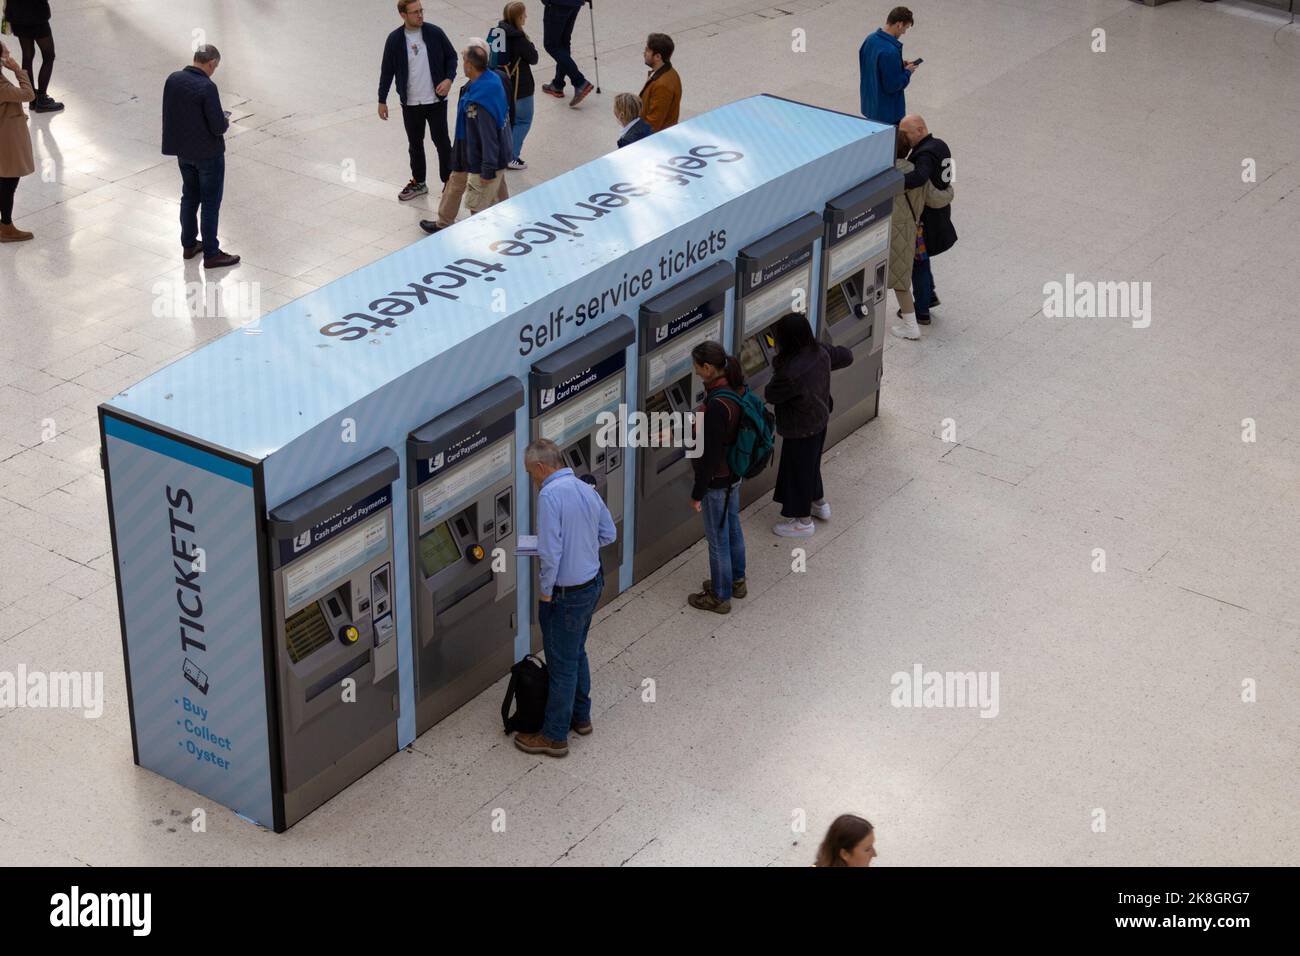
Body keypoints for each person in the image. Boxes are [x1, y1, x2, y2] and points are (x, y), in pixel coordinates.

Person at [515, 438, 616, 758]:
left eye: (532, 474)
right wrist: (582, 549)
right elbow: (608, 534)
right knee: (576, 653)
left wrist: (545, 593)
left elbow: (550, 551)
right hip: (592, 583)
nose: (533, 481)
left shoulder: (549, 495)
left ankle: (554, 736)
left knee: (561, 665)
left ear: (543, 467)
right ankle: (581, 717)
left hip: (565, 595)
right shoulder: (586, 488)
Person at [764, 313, 852, 538]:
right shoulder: (820, 351)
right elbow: (846, 356)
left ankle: (802, 522)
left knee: (798, 470)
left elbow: (771, 394)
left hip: (799, 427)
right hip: (820, 419)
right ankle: (819, 504)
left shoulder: (790, 371)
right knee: (810, 463)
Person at [419, 41, 511, 234]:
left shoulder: (480, 99)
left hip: (481, 157)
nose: (462, 64)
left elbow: (488, 137)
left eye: (463, 61)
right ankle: (443, 222)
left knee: (478, 203)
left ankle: (485, 237)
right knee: (457, 182)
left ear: (469, 65)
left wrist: (487, 169)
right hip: (469, 148)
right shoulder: (489, 80)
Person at [161, 45, 239, 269]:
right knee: (210, 202)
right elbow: (216, 127)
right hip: (208, 155)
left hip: (184, 152)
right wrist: (224, 120)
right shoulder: (207, 86)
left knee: (189, 197)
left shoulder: (173, 79)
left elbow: (172, 113)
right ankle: (212, 253)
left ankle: (188, 245)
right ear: (212, 63)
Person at [687, 341, 748, 614]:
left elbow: (709, 457)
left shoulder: (716, 406)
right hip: (734, 473)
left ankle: (720, 597)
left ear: (708, 367)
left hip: (718, 480)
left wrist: (698, 492)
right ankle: (737, 581)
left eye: (697, 367)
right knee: (733, 528)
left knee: (717, 539)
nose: (696, 371)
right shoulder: (735, 386)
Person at [378, 0, 457, 202]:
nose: (420, 15)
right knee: (415, 144)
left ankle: (448, 181)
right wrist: (382, 99)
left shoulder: (434, 33)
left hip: (435, 100)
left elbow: (452, 57)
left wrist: (448, 79)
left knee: (442, 142)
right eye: (415, 12)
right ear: (403, 15)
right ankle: (419, 182)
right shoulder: (395, 39)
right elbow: (387, 71)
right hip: (411, 103)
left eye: (421, 11)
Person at [889, 126, 953, 341]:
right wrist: (950, 189)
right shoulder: (915, 169)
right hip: (913, 228)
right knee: (917, 265)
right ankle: (926, 300)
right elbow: (936, 199)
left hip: (889, 231)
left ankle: (912, 324)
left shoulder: (884, 172)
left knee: (897, 278)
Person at [489, 2, 538, 170]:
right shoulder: (519, 38)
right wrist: (530, 45)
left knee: (506, 122)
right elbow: (534, 58)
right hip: (520, 87)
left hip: (499, 85)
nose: (526, 17)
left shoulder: (496, 32)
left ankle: (499, 153)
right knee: (523, 120)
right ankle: (511, 155)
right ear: (518, 17)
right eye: (524, 14)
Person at [0, 41, 35, 241]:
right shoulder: (1, 85)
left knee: (4, 179)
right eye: (5, 50)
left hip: (6, 133)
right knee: (9, 181)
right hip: (7, 137)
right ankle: (6, 226)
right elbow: (28, 95)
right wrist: (18, 70)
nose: (9, 52)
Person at [858, 6, 916, 126]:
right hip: (888, 113)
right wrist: (908, 72)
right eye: (905, 28)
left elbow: (872, 66)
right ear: (899, 24)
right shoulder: (890, 51)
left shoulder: (870, 39)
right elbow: (893, 85)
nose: (904, 32)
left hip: (870, 105)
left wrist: (898, 64)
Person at [3, 0, 60, 113]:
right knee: (49, 55)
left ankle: (32, 98)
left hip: (17, 14)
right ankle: (42, 98)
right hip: (36, 14)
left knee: (27, 55)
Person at [538, 0, 592, 107]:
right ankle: (558, 84)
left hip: (558, 3)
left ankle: (580, 81)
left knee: (551, 45)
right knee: (563, 43)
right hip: (576, 3)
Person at [639, 33, 680, 132]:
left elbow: (653, 122)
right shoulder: (666, 73)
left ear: (657, 56)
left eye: (647, 50)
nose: (644, 53)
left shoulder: (662, 85)